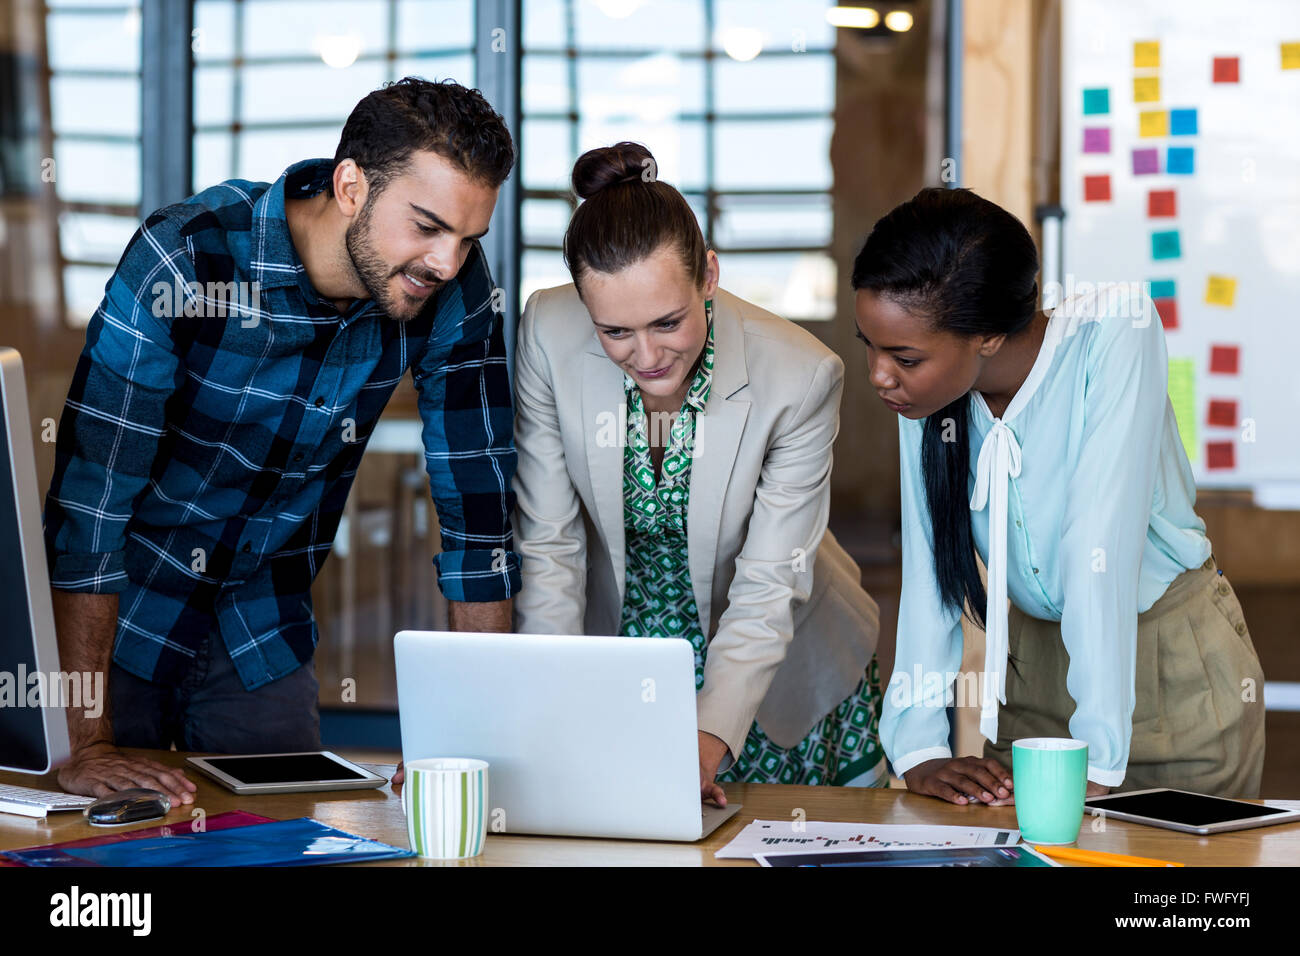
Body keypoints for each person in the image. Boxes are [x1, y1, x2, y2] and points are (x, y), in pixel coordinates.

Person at [43, 77, 521, 801]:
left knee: (284, 839)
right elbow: (89, 508)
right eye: (427, 226)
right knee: (97, 838)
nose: (447, 263)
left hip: (261, 627)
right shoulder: (187, 259)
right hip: (119, 618)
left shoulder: (453, 289)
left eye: (467, 238)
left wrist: (471, 743)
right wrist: (87, 743)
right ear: (351, 187)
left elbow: (477, 521)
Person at [851, 186, 1266, 804]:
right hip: (1032, 672)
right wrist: (919, 748)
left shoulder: (1116, 330)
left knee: (1171, 869)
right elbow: (929, 567)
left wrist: (1098, 756)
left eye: (904, 358)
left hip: (1170, 670)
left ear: (988, 335)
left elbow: (1097, 548)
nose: (879, 375)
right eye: (870, 345)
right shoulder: (927, 397)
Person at [512, 142, 885, 804]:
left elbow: (770, 582)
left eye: (668, 322)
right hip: (622, 649)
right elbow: (550, 548)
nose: (647, 355)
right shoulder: (547, 330)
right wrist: (554, 701)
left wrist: (708, 738)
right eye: (615, 332)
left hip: (775, 660)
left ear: (708, 275)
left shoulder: (799, 375)